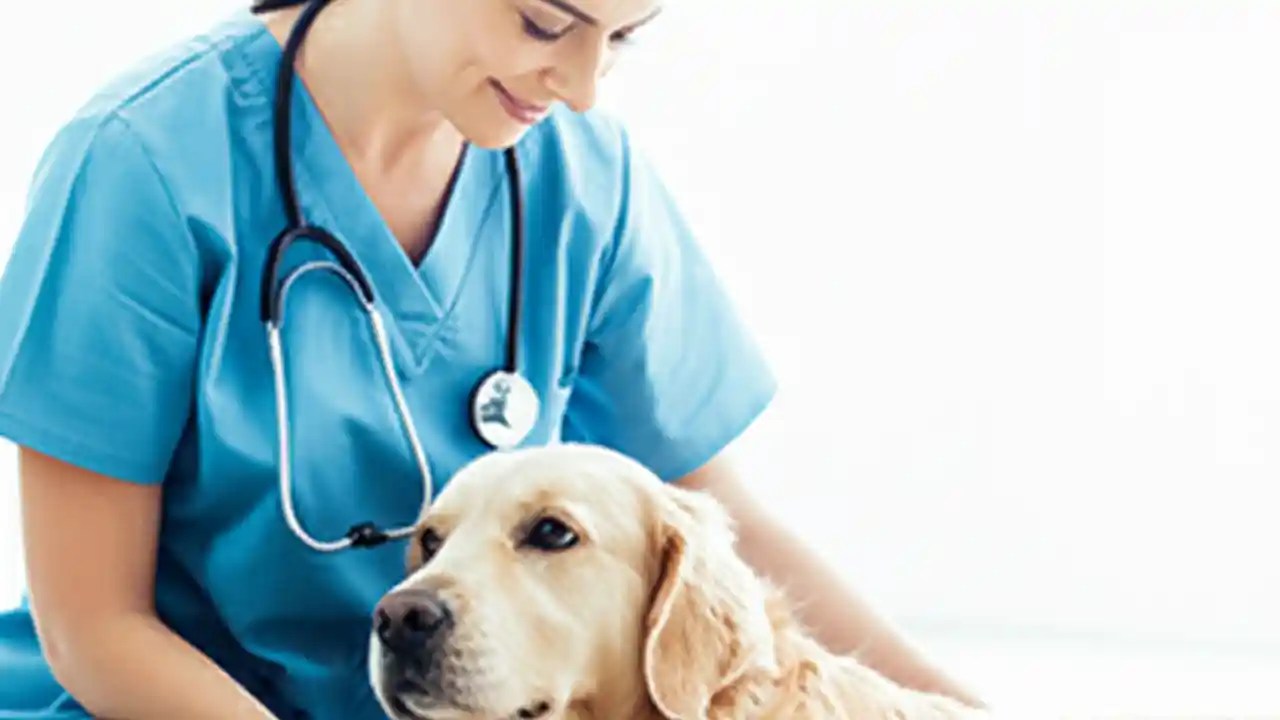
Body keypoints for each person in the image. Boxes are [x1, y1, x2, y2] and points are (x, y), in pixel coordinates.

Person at [0, 0, 986, 718]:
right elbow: (95, 628)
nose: (582, 86)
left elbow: (715, 529)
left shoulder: (583, 179)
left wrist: (963, 710)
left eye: (620, 39)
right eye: (545, 23)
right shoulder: (144, 163)